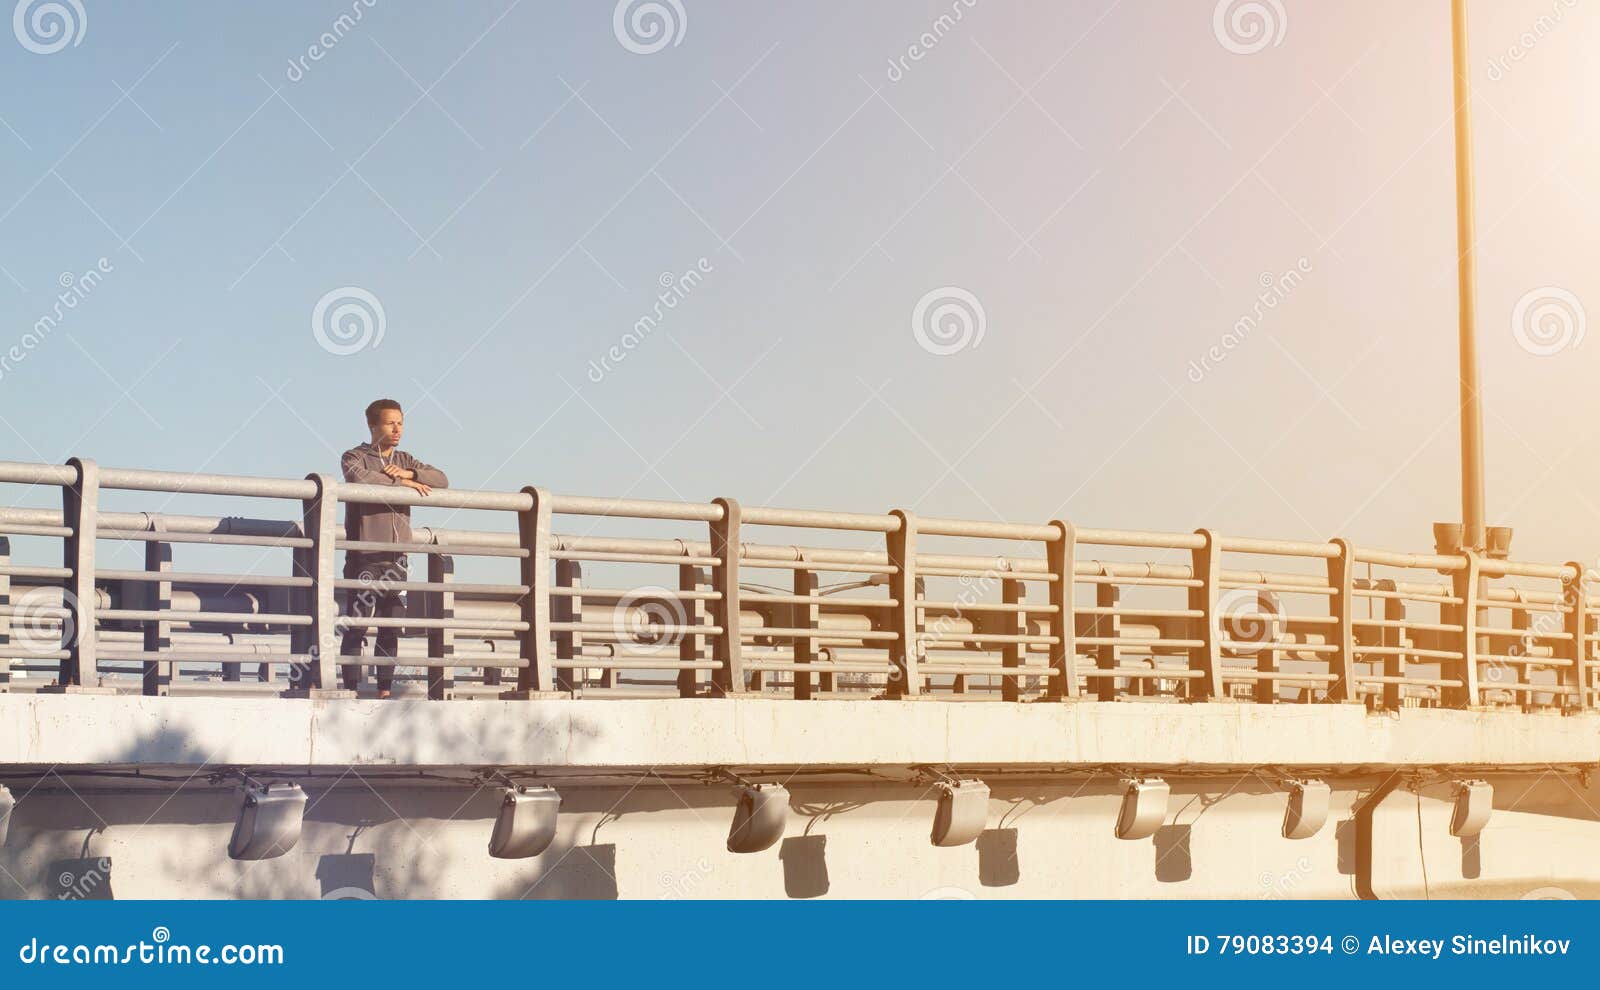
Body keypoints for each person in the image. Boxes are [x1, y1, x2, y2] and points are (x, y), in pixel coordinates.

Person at [338, 398, 449, 698]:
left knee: (391, 626)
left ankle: (384, 690)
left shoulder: (406, 460)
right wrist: (401, 484)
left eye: (400, 422)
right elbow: (357, 478)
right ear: (373, 425)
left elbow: (441, 480)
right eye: (390, 423)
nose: (397, 428)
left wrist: (410, 475)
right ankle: (349, 688)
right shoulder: (354, 456)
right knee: (358, 624)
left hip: (398, 558)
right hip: (364, 556)